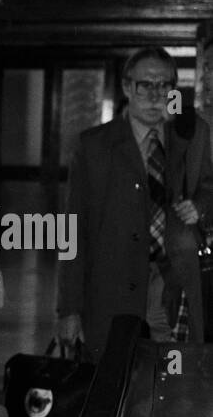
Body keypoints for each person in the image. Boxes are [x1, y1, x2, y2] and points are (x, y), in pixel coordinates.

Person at [57, 46, 213, 363]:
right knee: (113, 388)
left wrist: (201, 204)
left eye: (164, 85)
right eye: (145, 85)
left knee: (174, 386)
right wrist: (69, 309)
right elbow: (71, 232)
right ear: (128, 87)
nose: (156, 95)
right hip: (111, 293)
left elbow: (209, 185)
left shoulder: (192, 136)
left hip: (174, 288)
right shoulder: (94, 145)